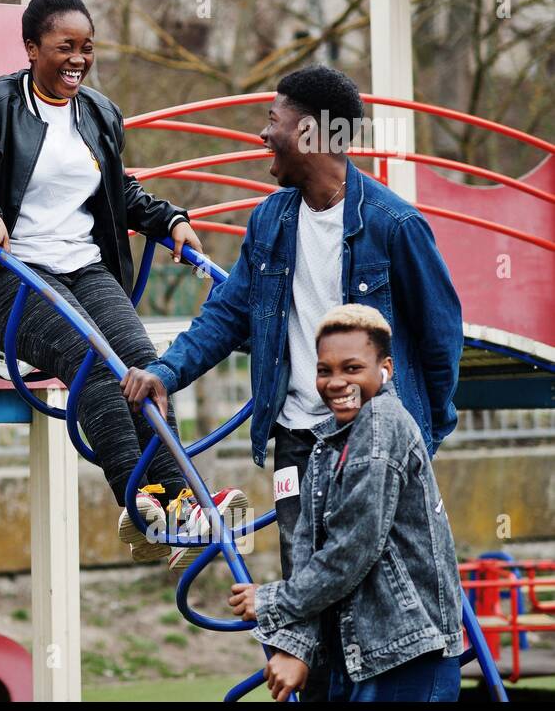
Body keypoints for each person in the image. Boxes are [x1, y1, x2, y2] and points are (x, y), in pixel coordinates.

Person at [0, 0, 245, 566]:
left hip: (84, 265)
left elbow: (117, 191)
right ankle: (143, 507)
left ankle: (180, 505)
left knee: (144, 368)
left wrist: (169, 219)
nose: (78, 58)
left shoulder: (100, 112)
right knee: (95, 364)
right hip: (12, 276)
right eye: (64, 46)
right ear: (31, 48)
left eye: (87, 47)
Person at [124, 64, 461, 583]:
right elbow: (227, 315)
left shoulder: (394, 226)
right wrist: (166, 372)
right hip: (297, 440)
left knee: (374, 588)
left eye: (272, 119)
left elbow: (441, 341)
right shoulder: (270, 222)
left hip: (371, 440)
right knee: (303, 589)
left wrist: (419, 441)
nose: (262, 133)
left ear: (309, 133)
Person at [228, 304, 463, 702]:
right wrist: (296, 646)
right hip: (357, 656)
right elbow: (310, 551)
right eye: (325, 370)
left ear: (385, 368)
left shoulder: (381, 425)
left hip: (406, 654)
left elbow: (351, 552)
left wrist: (272, 600)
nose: (337, 382)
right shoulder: (326, 445)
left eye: (352, 368)